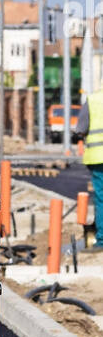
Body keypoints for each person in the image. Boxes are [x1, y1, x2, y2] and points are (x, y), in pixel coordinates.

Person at [75, 90, 103, 246]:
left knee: (102, 199)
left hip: (99, 157)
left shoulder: (93, 100)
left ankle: (102, 240)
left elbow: (80, 128)